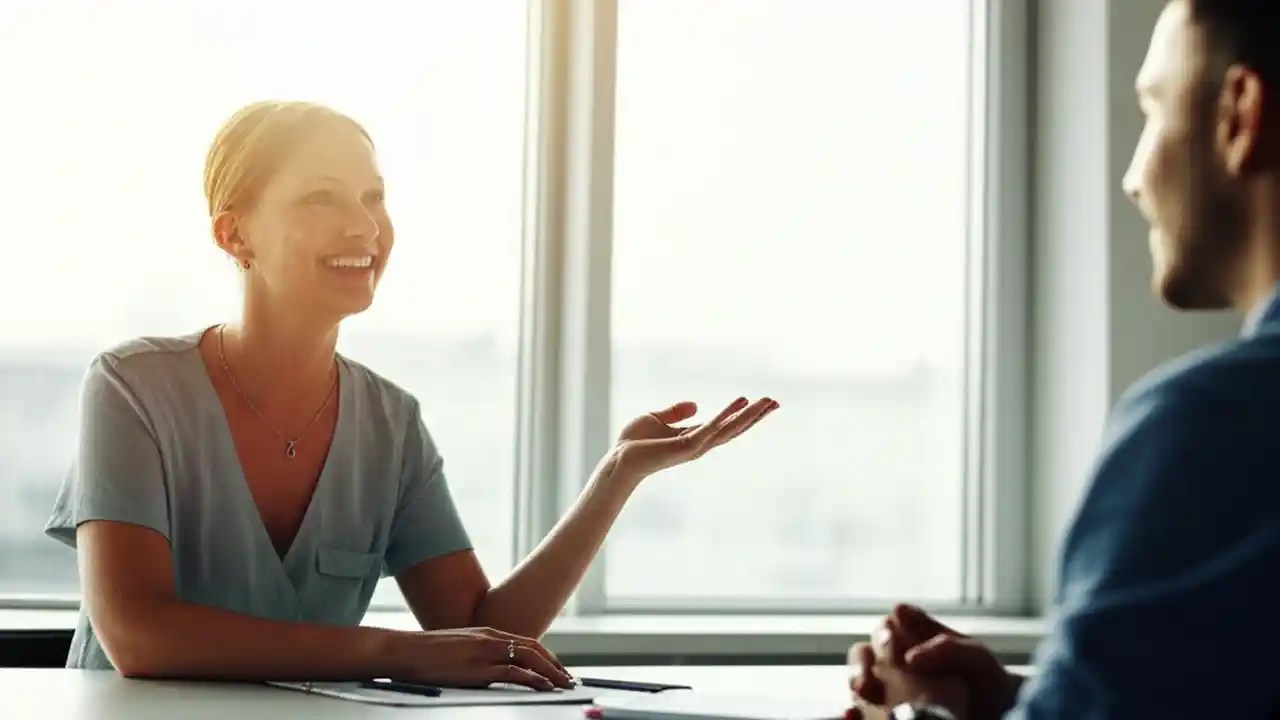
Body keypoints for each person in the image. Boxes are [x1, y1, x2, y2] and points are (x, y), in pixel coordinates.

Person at [44, 100, 779, 686]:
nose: (363, 225)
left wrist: (617, 477)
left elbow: (483, 626)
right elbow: (139, 636)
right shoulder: (131, 387)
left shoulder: (391, 424)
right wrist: (388, 652)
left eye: (373, 196)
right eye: (320, 198)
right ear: (236, 235)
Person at [848, 0, 1280, 717]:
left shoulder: (1219, 426)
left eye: (1153, 110)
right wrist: (1029, 700)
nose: (1134, 178)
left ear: (1240, 114)